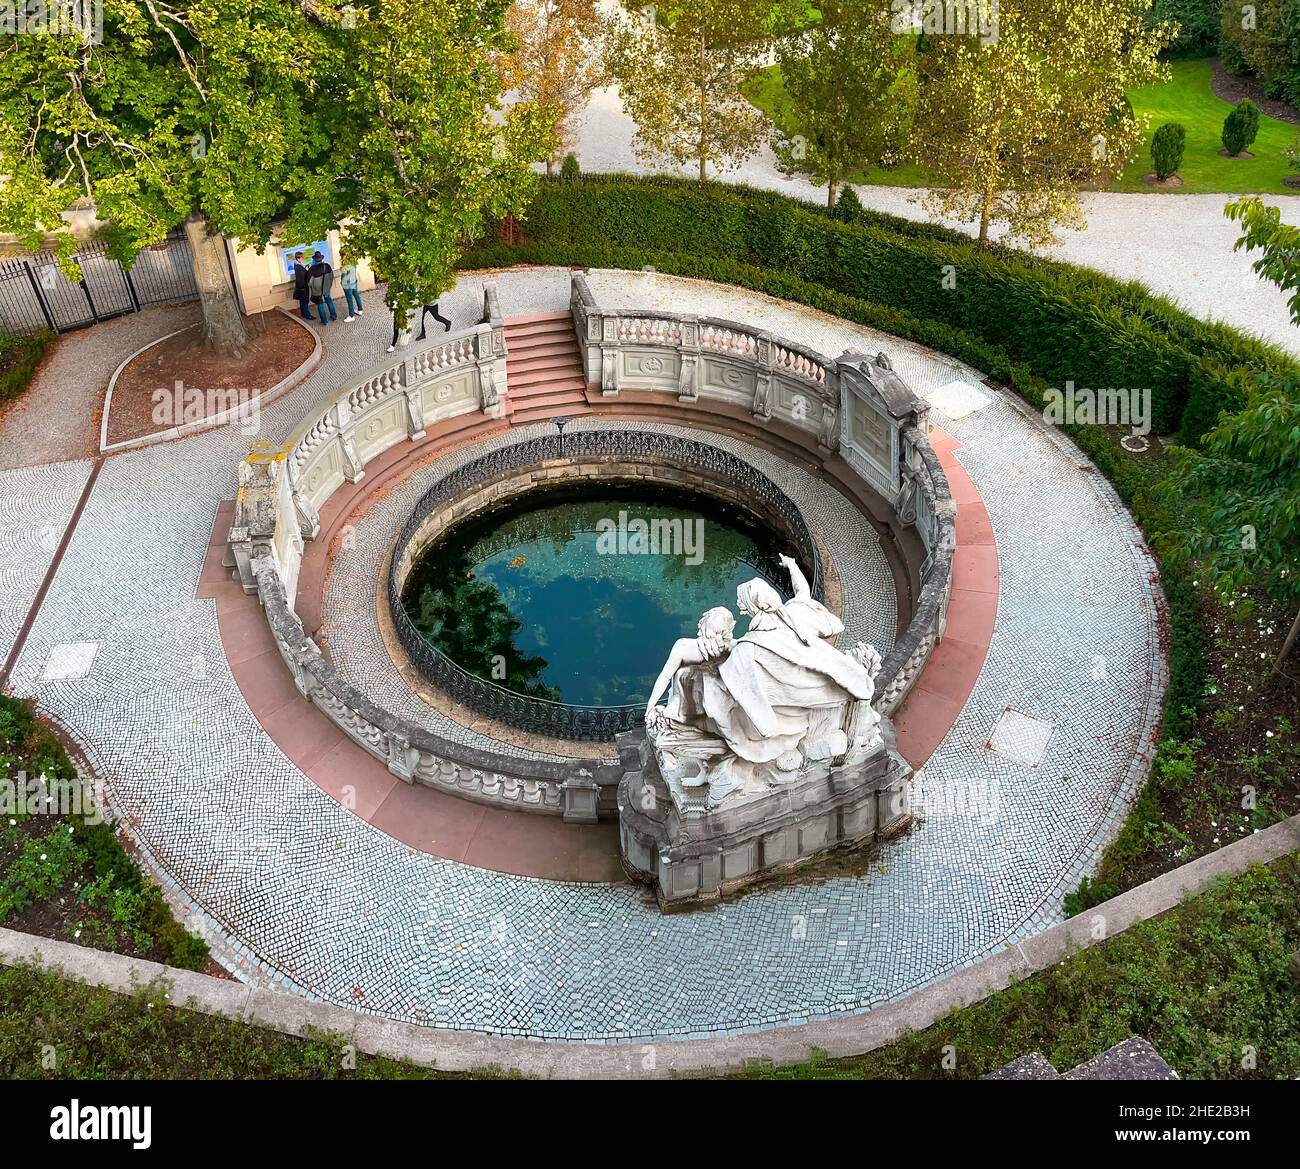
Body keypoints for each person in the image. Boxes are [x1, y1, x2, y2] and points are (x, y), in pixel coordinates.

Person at [388, 293, 453, 351]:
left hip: (432, 303)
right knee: (422, 318)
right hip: (426, 302)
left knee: (436, 316)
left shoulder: (431, 284)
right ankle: (423, 334)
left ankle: (447, 322)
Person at [306, 251, 336, 327]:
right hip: (326, 288)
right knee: (329, 300)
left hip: (317, 291)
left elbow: (309, 283)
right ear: (321, 259)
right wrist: (328, 286)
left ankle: (324, 321)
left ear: (315, 259)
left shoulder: (311, 269)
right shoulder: (327, 266)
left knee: (320, 305)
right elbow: (332, 277)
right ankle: (334, 316)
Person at [291, 252, 311, 320]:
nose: (303, 258)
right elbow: (304, 276)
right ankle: (308, 316)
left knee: (302, 301)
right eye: (302, 257)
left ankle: (303, 314)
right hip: (303, 286)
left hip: (301, 286)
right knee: (305, 301)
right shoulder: (299, 266)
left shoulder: (298, 265)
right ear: (298, 258)